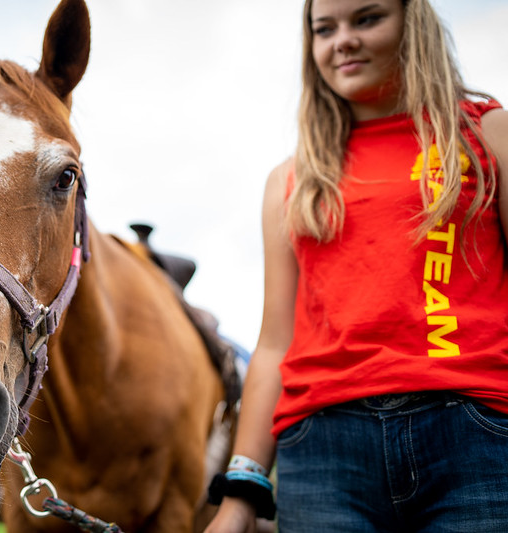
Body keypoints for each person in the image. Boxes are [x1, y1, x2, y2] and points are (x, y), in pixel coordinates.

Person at [205, 0, 508, 531]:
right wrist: (241, 495)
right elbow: (276, 342)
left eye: (367, 19)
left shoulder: (487, 135)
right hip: (322, 455)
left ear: (413, 23)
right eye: (325, 28)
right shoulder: (290, 180)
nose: (342, 39)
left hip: (476, 436)